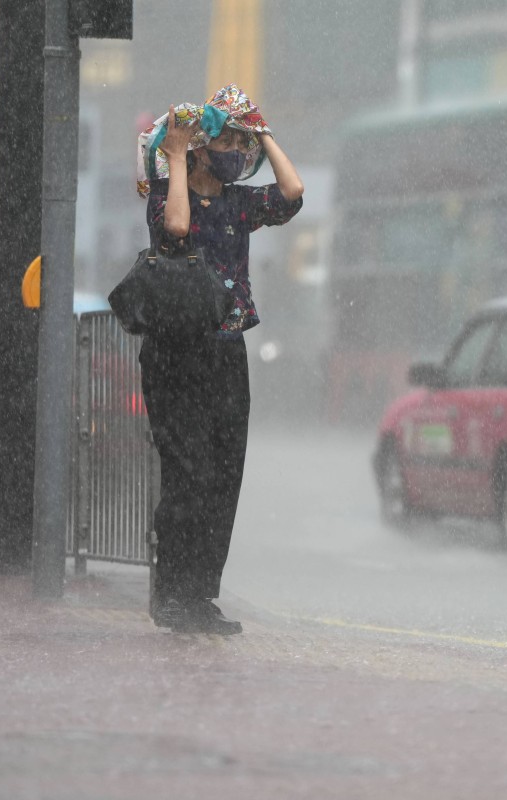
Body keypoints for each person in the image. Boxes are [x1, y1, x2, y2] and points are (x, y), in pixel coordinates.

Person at [135, 84, 303, 634]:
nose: (238, 152)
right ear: (202, 147)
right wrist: (178, 157)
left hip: (227, 354)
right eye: (227, 141)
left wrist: (264, 131)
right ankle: (171, 595)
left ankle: (202, 595)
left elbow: (293, 193)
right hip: (175, 356)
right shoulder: (165, 192)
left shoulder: (241, 204)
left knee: (224, 477)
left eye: (241, 143)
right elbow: (178, 231)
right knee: (188, 475)